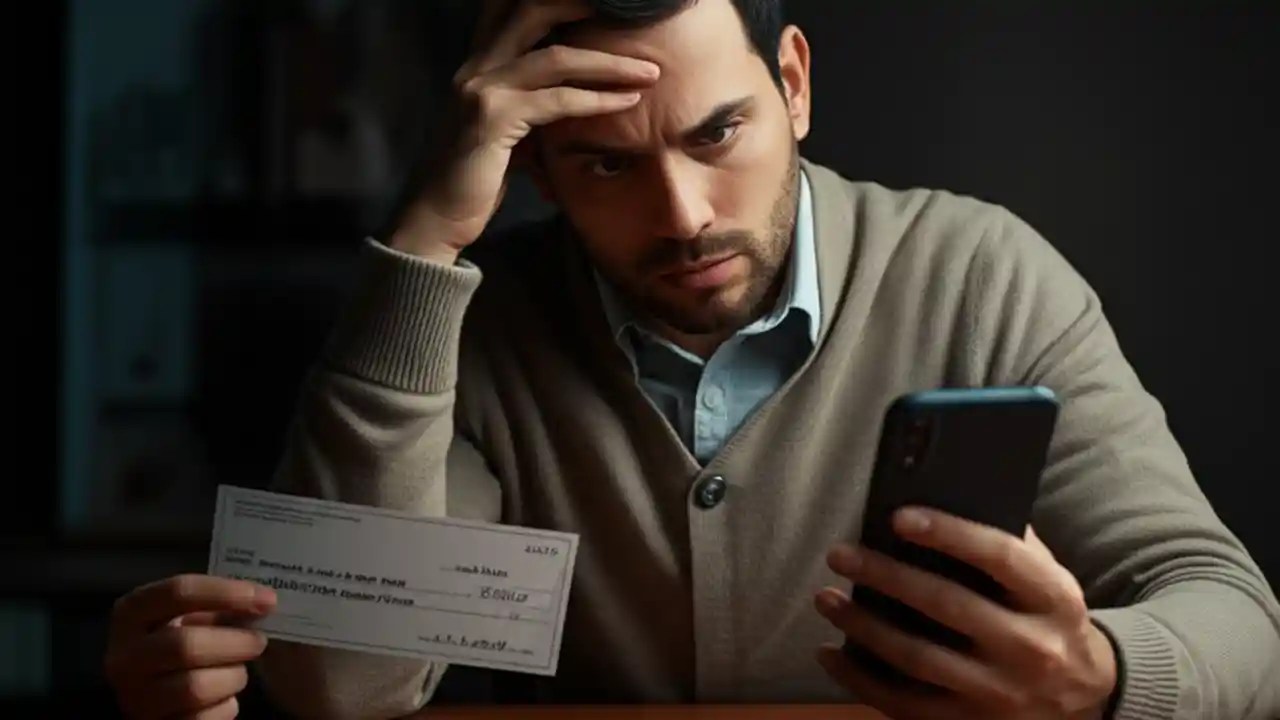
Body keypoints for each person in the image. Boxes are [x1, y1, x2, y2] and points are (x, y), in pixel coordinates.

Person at [104, 0, 1280, 718]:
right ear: (531, 168)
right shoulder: (477, 323)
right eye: (604, 164)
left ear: (794, 84)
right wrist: (421, 246)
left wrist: (1102, 678)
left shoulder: (982, 272)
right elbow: (344, 688)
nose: (682, 216)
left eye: (718, 131)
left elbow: (1241, 626)